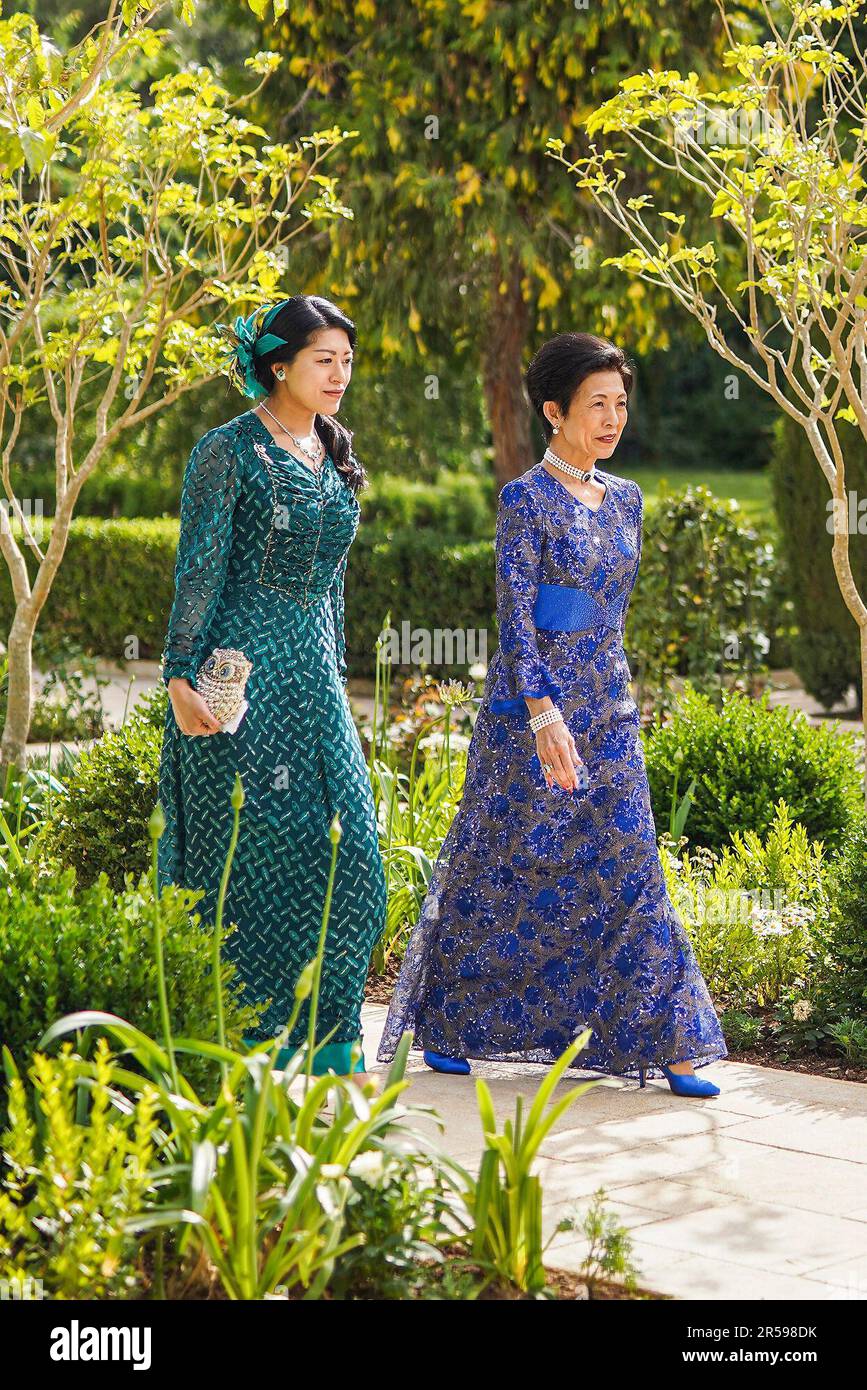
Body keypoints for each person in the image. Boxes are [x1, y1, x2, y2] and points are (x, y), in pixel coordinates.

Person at [376, 332, 727, 1097]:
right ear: (553, 412)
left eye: (620, 404)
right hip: (528, 716)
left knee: (633, 868)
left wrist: (609, 697)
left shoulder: (628, 499)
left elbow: (609, 615)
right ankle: (451, 1021)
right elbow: (515, 620)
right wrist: (542, 714)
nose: (611, 418)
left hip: (609, 707)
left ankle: (668, 1042)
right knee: (500, 870)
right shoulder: (524, 500)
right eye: (595, 405)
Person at [157, 294, 386, 1082]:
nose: (338, 373)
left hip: (314, 679)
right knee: (251, 859)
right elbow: (200, 568)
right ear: (277, 365)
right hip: (240, 678)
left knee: (354, 859)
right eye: (324, 359)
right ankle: (244, 1043)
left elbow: (334, 586)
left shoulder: (332, 450)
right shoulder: (227, 452)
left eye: (346, 360)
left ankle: (326, 1041)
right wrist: (179, 675)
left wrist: (339, 671)